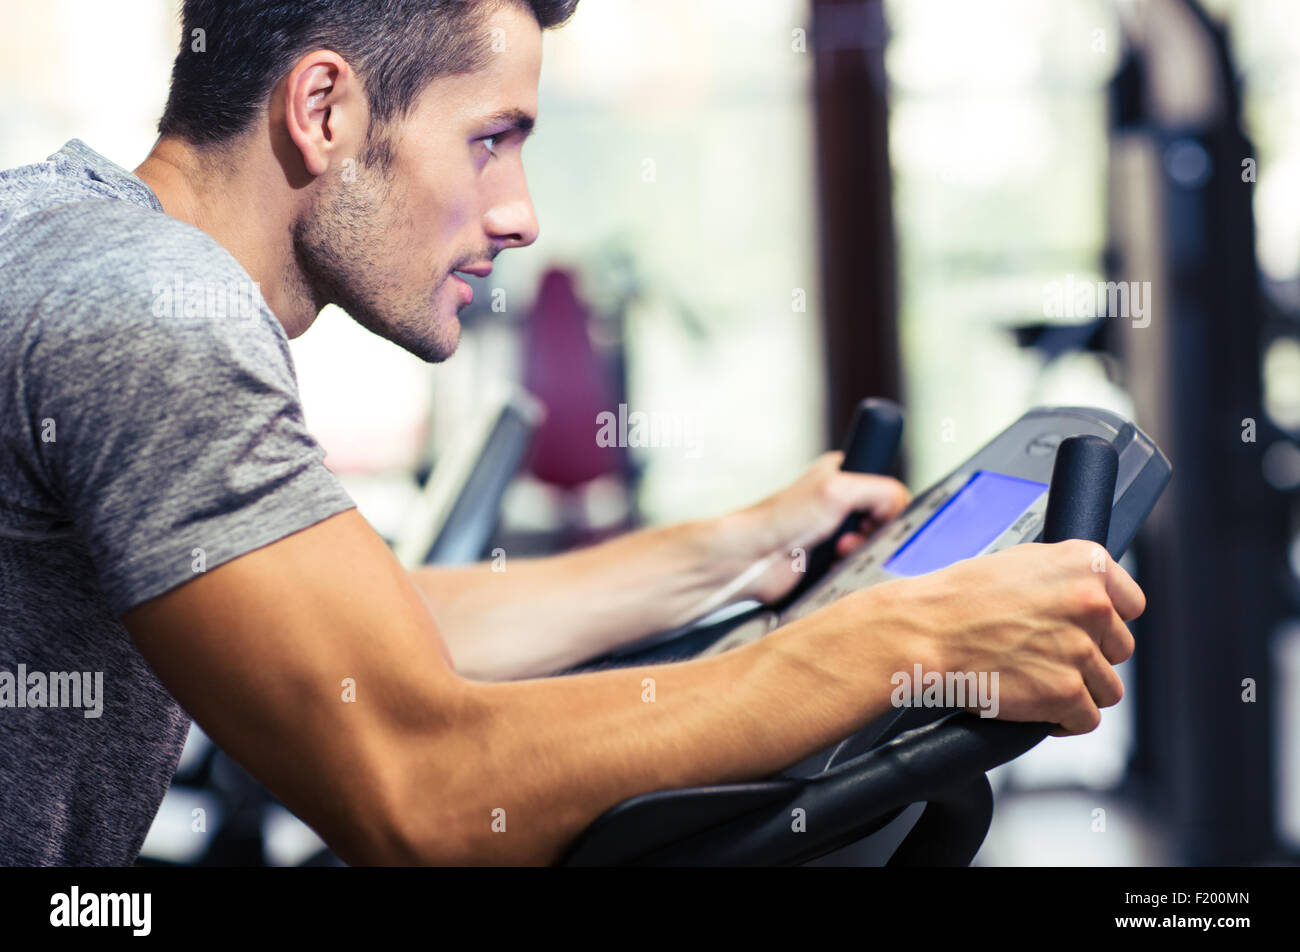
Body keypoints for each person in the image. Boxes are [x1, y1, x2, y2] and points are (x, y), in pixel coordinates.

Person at [0, 0, 1143, 866]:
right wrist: (889, 642)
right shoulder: (149, 312)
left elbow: (358, 641)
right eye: (491, 139)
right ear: (324, 111)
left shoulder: (70, 236)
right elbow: (422, 780)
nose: (519, 212)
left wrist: (739, 550)